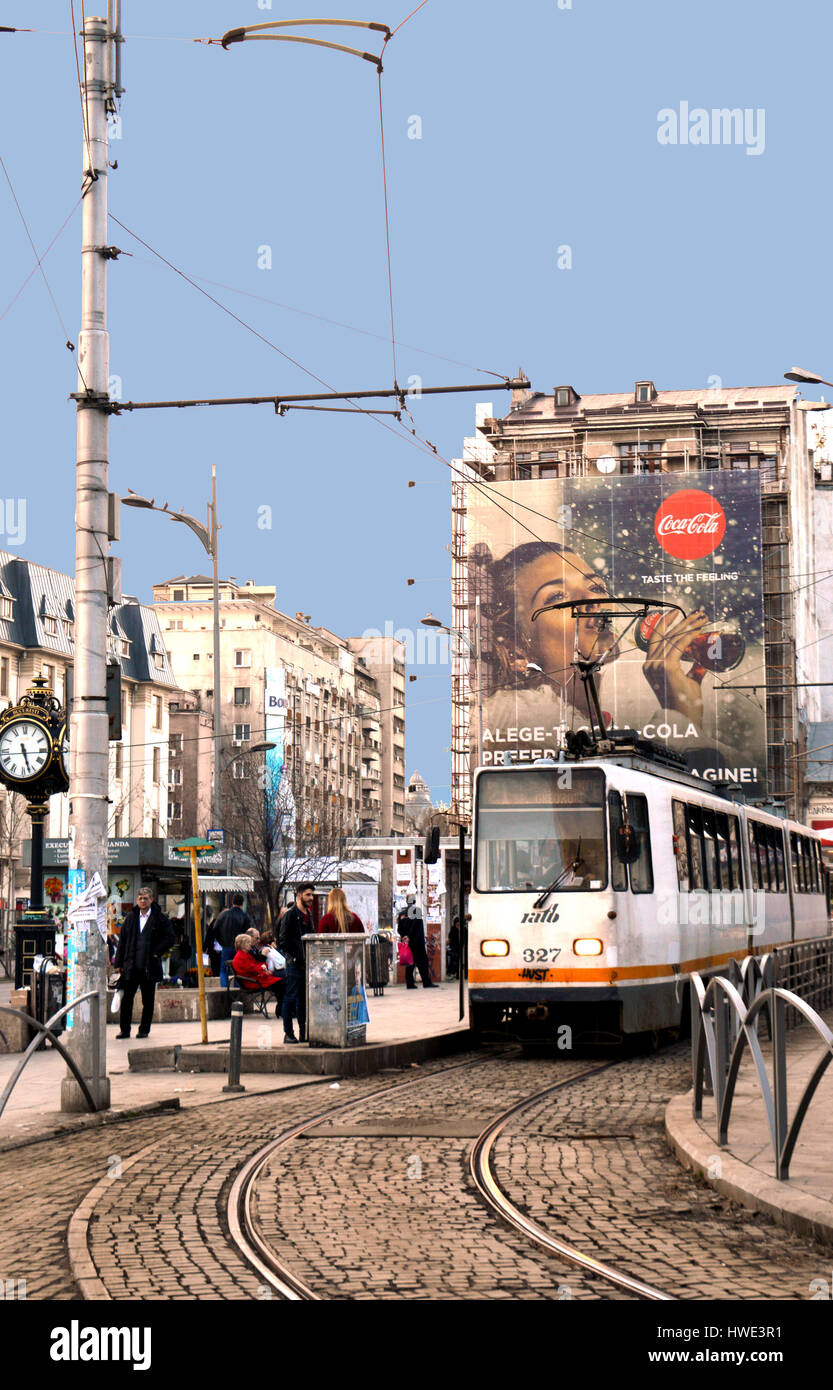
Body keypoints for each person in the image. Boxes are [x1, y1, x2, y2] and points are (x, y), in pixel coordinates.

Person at [113, 886, 175, 1039]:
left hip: (149, 967)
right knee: (127, 999)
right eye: (140, 898)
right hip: (131, 966)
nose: (143, 901)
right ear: (137, 900)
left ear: (151, 900)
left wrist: (157, 952)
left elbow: (170, 938)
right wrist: (119, 964)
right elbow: (123, 942)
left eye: (146, 898)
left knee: (148, 1001)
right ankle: (125, 1030)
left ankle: (144, 1030)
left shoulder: (160, 918)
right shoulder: (131, 917)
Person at [279, 883, 315, 1044]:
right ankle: (288, 1033)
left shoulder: (308, 914)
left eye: (312, 895)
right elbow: (283, 939)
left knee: (303, 999)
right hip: (295, 963)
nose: (311, 898)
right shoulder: (291, 915)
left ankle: (303, 1032)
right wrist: (294, 956)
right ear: (299, 895)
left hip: (306, 962)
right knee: (291, 997)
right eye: (308, 895)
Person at [230, 932, 285, 1013]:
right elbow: (251, 968)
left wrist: (264, 968)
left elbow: (254, 966)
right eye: (248, 943)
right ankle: (281, 1008)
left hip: (255, 978)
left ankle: (281, 1008)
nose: (250, 944)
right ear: (243, 945)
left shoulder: (245, 954)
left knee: (281, 982)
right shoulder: (241, 956)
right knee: (281, 983)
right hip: (252, 982)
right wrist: (263, 969)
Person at [212, 893, 255, 987]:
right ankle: (236, 990)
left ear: (232, 902)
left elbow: (215, 929)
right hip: (239, 948)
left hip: (226, 946)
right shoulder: (244, 916)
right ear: (242, 903)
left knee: (223, 970)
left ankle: (224, 990)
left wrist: (221, 942)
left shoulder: (223, 915)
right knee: (238, 970)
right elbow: (248, 933)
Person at [397, 895, 435, 989]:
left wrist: (404, 936)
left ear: (406, 901)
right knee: (423, 962)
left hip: (407, 943)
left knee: (410, 963)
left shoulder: (402, 914)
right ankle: (426, 982)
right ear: (414, 901)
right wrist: (409, 936)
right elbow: (415, 926)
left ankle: (410, 984)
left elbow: (399, 929)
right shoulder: (416, 911)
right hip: (417, 942)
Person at [447, 915, 461, 980]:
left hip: (460, 948)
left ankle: (456, 974)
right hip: (454, 948)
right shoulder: (453, 930)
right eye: (457, 924)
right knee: (454, 961)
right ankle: (452, 972)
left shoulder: (462, 930)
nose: (458, 925)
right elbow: (450, 938)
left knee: (457, 961)